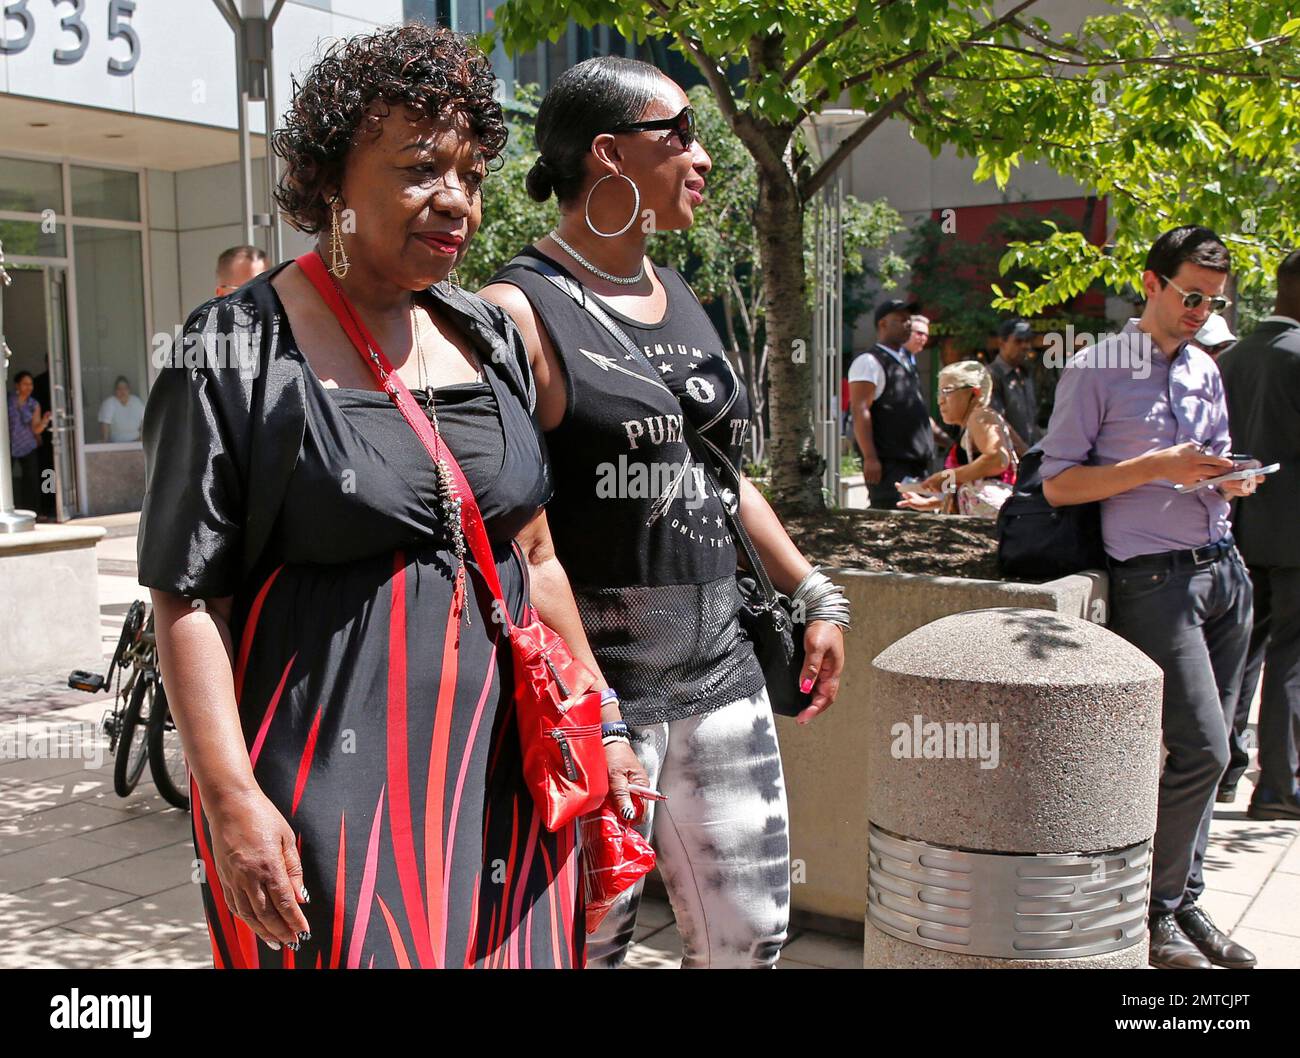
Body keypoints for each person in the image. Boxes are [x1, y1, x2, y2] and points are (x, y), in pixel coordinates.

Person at [137, 23, 623, 969]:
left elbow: (537, 560)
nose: (456, 203)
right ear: (330, 183)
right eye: (420, 169)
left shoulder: (485, 334)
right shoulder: (235, 348)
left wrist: (601, 720)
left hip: (511, 770)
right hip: (328, 783)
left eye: (473, 175)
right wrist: (233, 798)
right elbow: (188, 596)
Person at [480, 55, 849, 969]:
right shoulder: (515, 312)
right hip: (599, 691)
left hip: (722, 669)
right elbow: (514, 538)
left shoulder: (679, 292)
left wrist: (814, 593)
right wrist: (592, 710)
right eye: (678, 133)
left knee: (751, 935)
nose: (703, 156)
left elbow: (719, 474)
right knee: (586, 946)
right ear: (606, 155)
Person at [1040, 225, 1260, 970]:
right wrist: (1153, 467)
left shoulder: (1205, 370)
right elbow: (1059, 483)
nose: (1202, 312)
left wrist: (1231, 478)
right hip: (1155, 578)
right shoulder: (1096, 368)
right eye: (1192, 296)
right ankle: (1156, 911)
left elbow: (1208, 461)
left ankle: (1185, 902)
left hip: (1225, 568)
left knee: (1219, 751)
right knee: (1199, 747)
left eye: (1214, 301)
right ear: (1152, 283)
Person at [1217, 249, 1300, 819]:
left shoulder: (1229, 359)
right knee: (1291, 658)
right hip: (1295, 536)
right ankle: (1277, 786)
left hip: (1241, 527)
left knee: (1244, 650)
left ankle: (1224, 770)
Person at [848, 298, 938, 509]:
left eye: (909, 319)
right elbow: (860, 410)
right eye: (901, 319)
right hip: (890, 467)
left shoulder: (907, 362)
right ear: (883, 324)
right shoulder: (869, 362)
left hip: (917, 465)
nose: (908, 323)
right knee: (893, 518)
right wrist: (870, 457)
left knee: (917, 524)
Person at [898, 360, 1017, 517]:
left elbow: (997, 460)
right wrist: (931, 502)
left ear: (974, 393)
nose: (940, 400)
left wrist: (948, 476)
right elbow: (973, 483)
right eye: (939, 392)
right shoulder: (970, 425)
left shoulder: (980, 416)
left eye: (947, 391)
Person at [988, 318, 1041, 456]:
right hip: (1008, 462)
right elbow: (997, 422)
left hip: (1030, 458)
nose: (1025, 346)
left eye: (1028, 341)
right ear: (1002, 343)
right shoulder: (992, 375)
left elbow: (1031, 422)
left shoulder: (1025, 374)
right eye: (1018, 341)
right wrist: (1025, 453)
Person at [8, 370, 51, 511]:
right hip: (8, 445)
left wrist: (44, 422)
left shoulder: (34, 404)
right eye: (25, 384)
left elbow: (35, 429)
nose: (29, 387)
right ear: (17, 385)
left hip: (28, 446)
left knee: (31, 481)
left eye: (31, 384)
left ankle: (32, 512)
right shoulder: (8, 401)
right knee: (4, 480)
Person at [97, 376, 146, 442]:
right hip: (117, 443)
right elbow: (105, 425)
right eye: (119, 389)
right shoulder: (109, 403)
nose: (122, 391)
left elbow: (144, 422)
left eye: (125, 388)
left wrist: (142, 439)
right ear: (115, 390)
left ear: (129, 390)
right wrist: (105, 441)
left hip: (136, 441)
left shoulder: (137, 402)